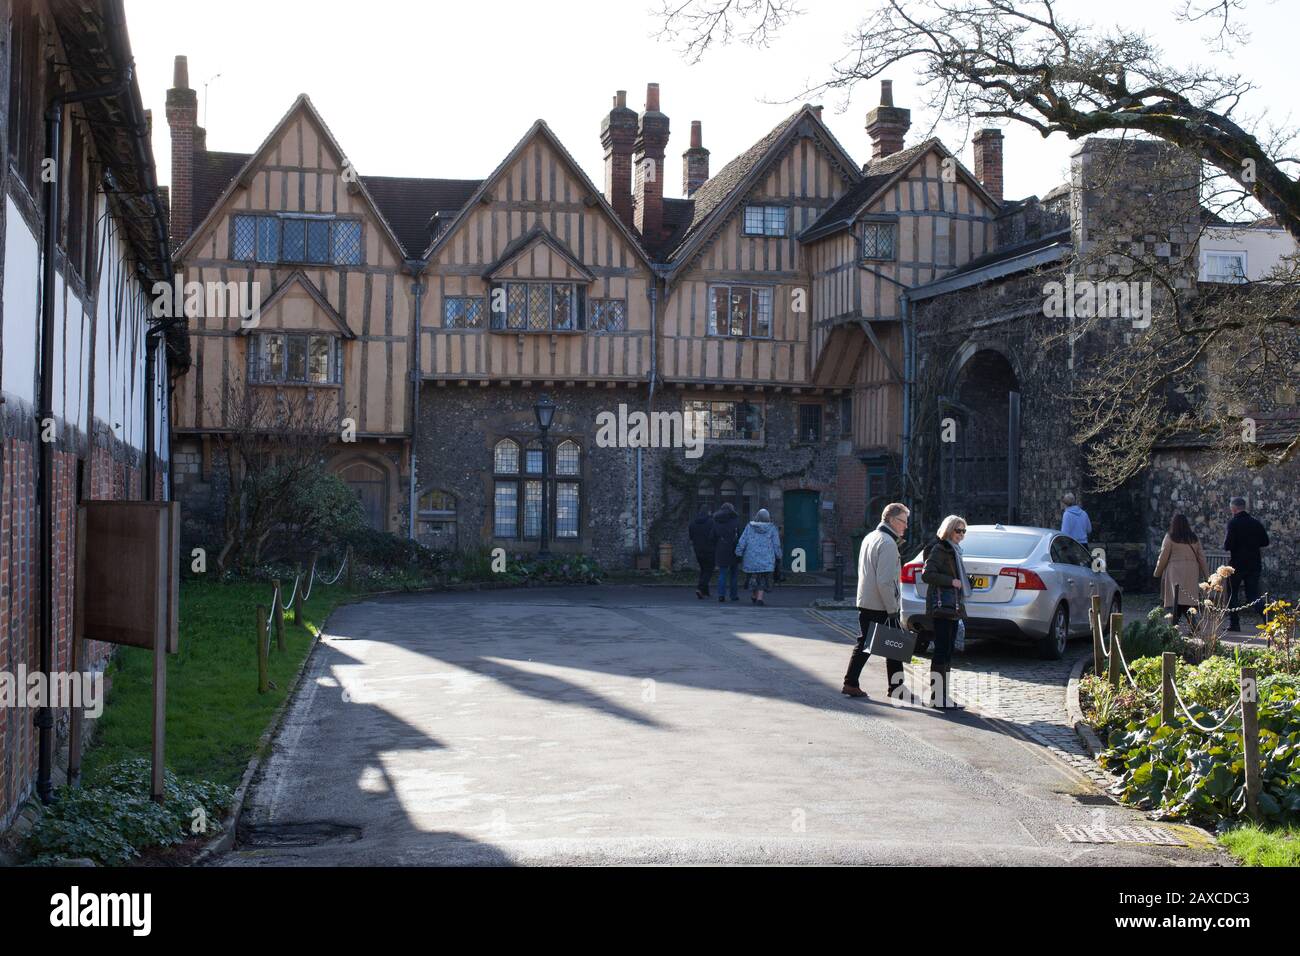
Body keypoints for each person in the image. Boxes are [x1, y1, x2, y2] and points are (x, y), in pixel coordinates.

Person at [842, 502, 911, 701]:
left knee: (870, 643)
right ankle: (892, 688)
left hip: (867, 600)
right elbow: (885, 581)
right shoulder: (888, 543)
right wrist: (892, 609)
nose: (905, 526)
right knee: (892, 644)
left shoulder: (870, 537)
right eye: (903, 521)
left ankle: (854, 682)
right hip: (881, 603)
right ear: (891, 520)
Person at [921, 515, 971, 710]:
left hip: (953, 607)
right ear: (949, 530)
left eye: (963, 531)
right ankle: (937, 697)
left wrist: (965, 582)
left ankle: (944, 696)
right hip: (941, 607)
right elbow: (927, 574)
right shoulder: (940, 549)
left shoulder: (955, 551)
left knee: (948, 651)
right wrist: (951, 581)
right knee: (941, 651)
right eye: (958, 530)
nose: (961, 535)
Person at [1152, 513, 1208, 623]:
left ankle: (1174, 627)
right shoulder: (1194, 538)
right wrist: (1207, 575)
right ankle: (1192, 624)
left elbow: (1163, 556)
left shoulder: (1170, 537)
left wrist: (1157, 573)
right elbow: (1201, 557)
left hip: (1175, 571)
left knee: (1176, 600)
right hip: (1192, 571)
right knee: (1187, 601)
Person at [1224, 497, 1269, 632]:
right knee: (1253, 595)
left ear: (1234, 508)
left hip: (1237, 565)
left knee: (1233, 594)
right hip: (1254, 564)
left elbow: (1227, 545)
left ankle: (1234, 624)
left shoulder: (1233, 523)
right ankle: (1268, 620)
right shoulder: (1255, 523)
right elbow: (1265, 541)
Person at [735, 508, 781, 606]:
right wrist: (778, 555)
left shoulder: (749, 527)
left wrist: (738, 552)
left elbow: (742, 540)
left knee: (753, 576)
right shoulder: (772, 528)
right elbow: (776, 544)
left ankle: (755, 595)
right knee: (763, 577)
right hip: (767, 557)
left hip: (751, 557)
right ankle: (759, 598)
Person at [711, 502, 742, 603]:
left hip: (721, 548)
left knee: (722, 573)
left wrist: (717, 544)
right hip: (733, 549)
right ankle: (733, 595)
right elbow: (740, 535)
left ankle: (721, 595)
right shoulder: (735, 520)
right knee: (734, 574)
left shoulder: (716, 520)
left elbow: (712, 536)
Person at [688, 506, 717, 599]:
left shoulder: (693, 523)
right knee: (708, 570)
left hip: (698, 550)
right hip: (709, 550)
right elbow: (714, 536)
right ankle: (700, 588)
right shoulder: (711, 522)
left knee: (703, 570)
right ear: (708, 512)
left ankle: (705, 591)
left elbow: (691, 537)